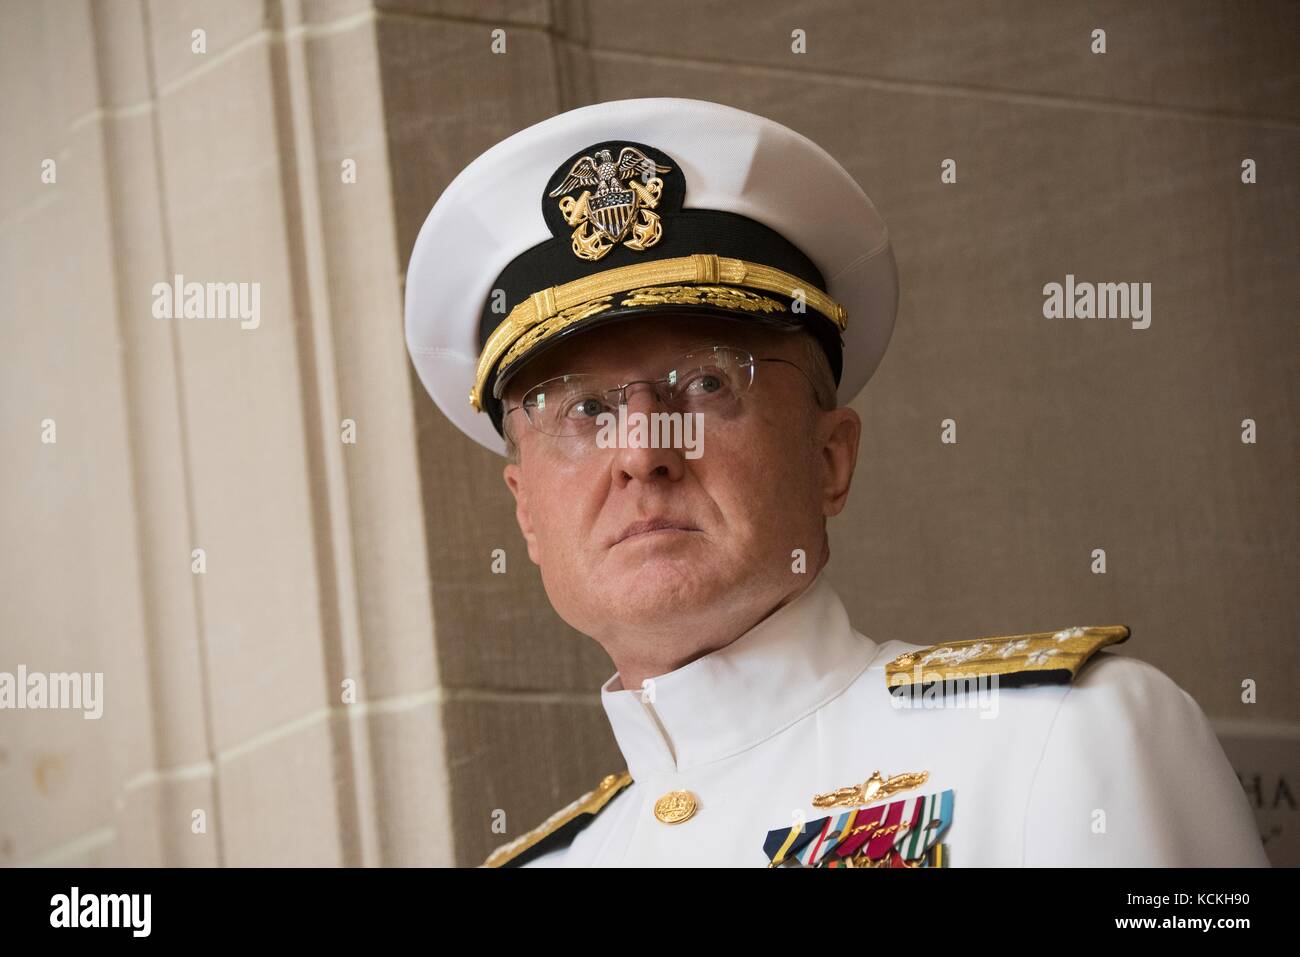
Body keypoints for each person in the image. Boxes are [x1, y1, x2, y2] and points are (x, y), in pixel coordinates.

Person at [404, 98, 1267, 867]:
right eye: (582, 410)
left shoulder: (1070, 736)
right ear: (525, 515)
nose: (642, 450)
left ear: (830, 458)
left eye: (706, 383)